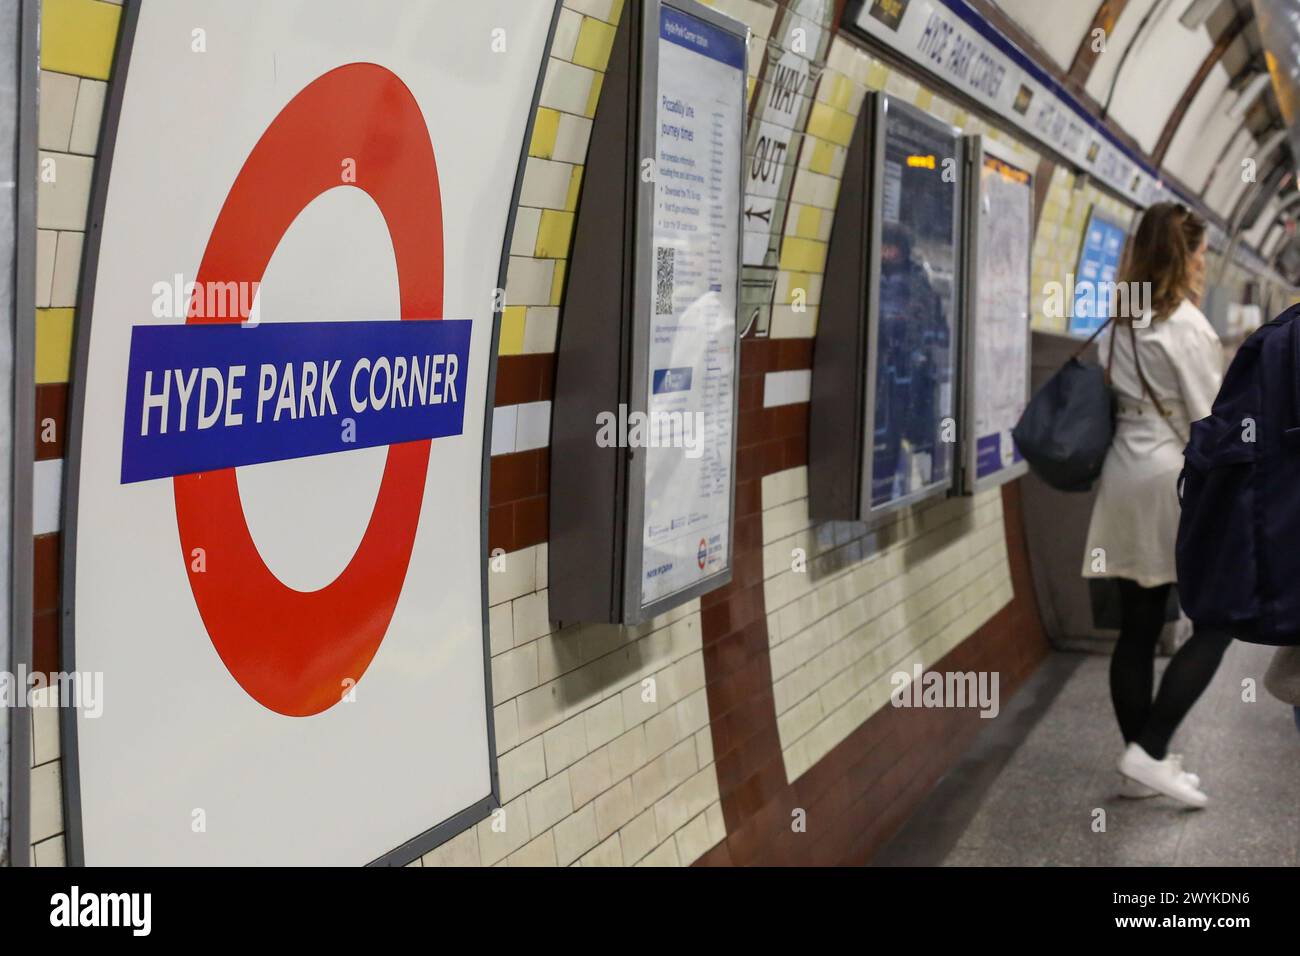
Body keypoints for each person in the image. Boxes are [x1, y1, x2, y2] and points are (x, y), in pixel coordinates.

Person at [1080, 202, 1230, 808]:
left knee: (1138, 626)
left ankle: (1144, 760)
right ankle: (1151, 747)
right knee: (1221, 620)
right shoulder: (1189, 327)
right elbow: (1209, 420)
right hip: (1170, 479)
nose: (1203, 263)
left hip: (1122, 476)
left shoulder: (1118, 321)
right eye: (1200, 252)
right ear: (1185, 256)